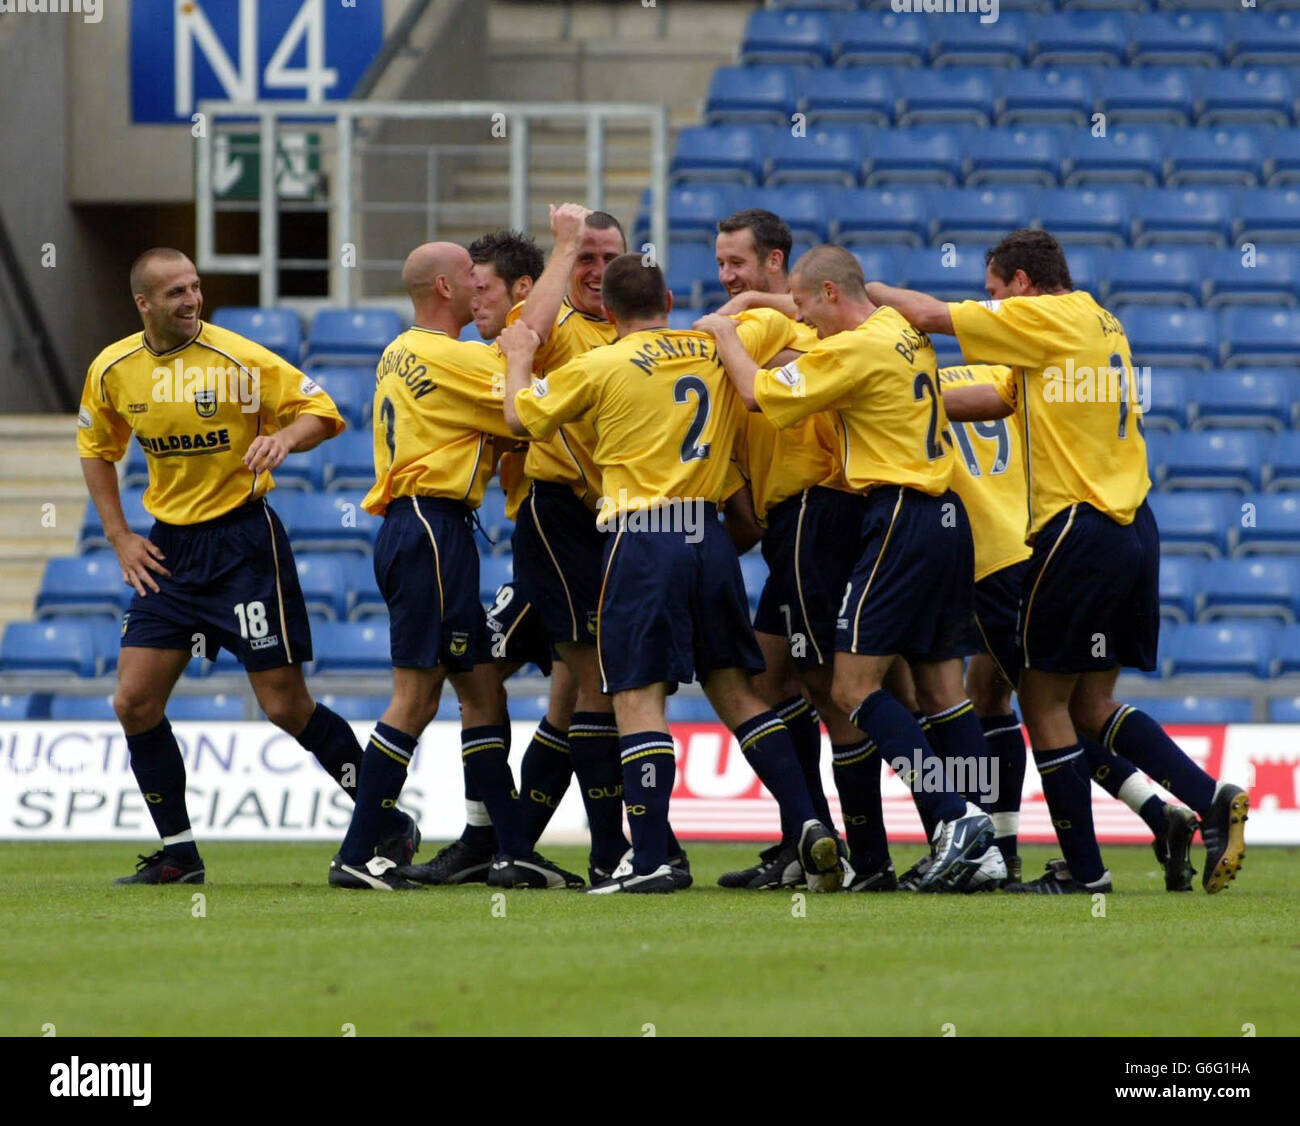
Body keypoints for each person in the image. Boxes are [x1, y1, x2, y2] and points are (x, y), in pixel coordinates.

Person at [871, 228, 1248, 894]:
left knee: (1041, 700)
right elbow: (999, 399)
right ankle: (1205, 799)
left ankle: (1086, 870)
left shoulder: (1041, 315)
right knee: (1092, 701)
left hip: (1074, 528)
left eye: (993, 292)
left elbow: (928, 316)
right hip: (1134, 525)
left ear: (1019, 284)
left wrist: (860, 292)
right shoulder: (1098, 321)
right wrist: (909, 402)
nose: (990, 304)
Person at [502, 255, 843, 893]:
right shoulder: (714, 343)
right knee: (738, 692)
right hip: (709, 535)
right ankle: (806, 821)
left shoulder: (598, 363)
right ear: (668, 297)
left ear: (607, 313)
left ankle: (653, 856)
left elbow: (520, 418)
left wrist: (520, 351)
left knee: (636, 696)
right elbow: (794, 314)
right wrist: (735, 311)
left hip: (643, 536)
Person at [78, 247, 409, 885]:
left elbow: (323, 414)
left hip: (245, 548)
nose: (191, 300)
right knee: (133, 700)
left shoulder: (240, 358)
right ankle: (179, 855)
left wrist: (283, 437)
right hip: (168, 553)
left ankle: (385, 820)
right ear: (143, 304)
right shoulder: (113, 369)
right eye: (174, 292)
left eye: (194, 287)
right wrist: (118, 535)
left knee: (285, 706)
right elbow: (97, 448)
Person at [700, 245, 999, 893]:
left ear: (832, 295)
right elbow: (827, 310)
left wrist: (727, 331)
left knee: (850, 689)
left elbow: (754, 393)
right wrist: (761, 301)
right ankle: (987, 838)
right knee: (943, 692)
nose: (805, 321)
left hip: (898, 517)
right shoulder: (897, 326)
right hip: (948, 516)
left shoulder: (852, 351)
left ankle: (952, 820)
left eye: (808, 308)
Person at [329, 240, 580, 891]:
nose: (481, 285)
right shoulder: (450, 358)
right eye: (471, 275)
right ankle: (358, 853)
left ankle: (513, 849)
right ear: (445, 286)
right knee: (416, 696)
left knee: (479, 690)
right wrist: (566, 250)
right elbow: (524, 381)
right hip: (430, 530)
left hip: (423, 530)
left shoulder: (401, 350)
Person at [403, 226, 579, 885]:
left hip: (570, 538)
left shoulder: (535, 342)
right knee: (487, 679)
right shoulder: (496, 356)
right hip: (537, 542)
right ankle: (500, 844)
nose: (472, 300)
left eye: (484, 288)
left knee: (576, 695)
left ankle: (525, 846)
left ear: (522, 291)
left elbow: (522, 409)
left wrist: (565, 247)